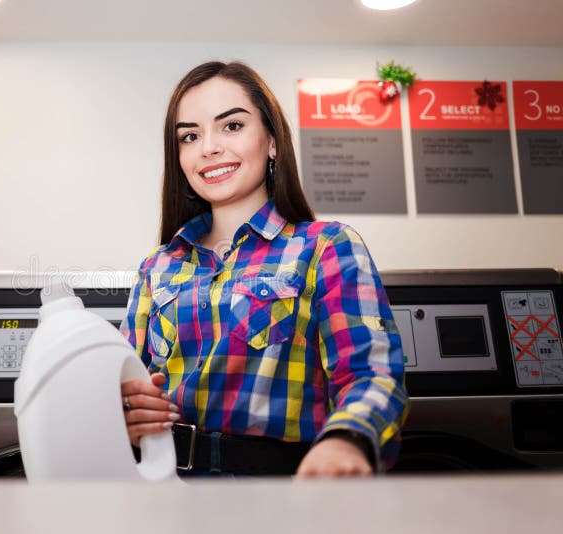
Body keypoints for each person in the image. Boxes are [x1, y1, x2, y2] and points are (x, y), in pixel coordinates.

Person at [119, 61, 408, 477]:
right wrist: (126, 414)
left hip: (284, 492)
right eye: (190, 136)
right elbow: (125, 387)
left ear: (272, 141)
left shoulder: (326, 247)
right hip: (164, 492)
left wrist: (348, 440)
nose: (209, 147)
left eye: (231, 126)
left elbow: (372, 374)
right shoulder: (156, 267)